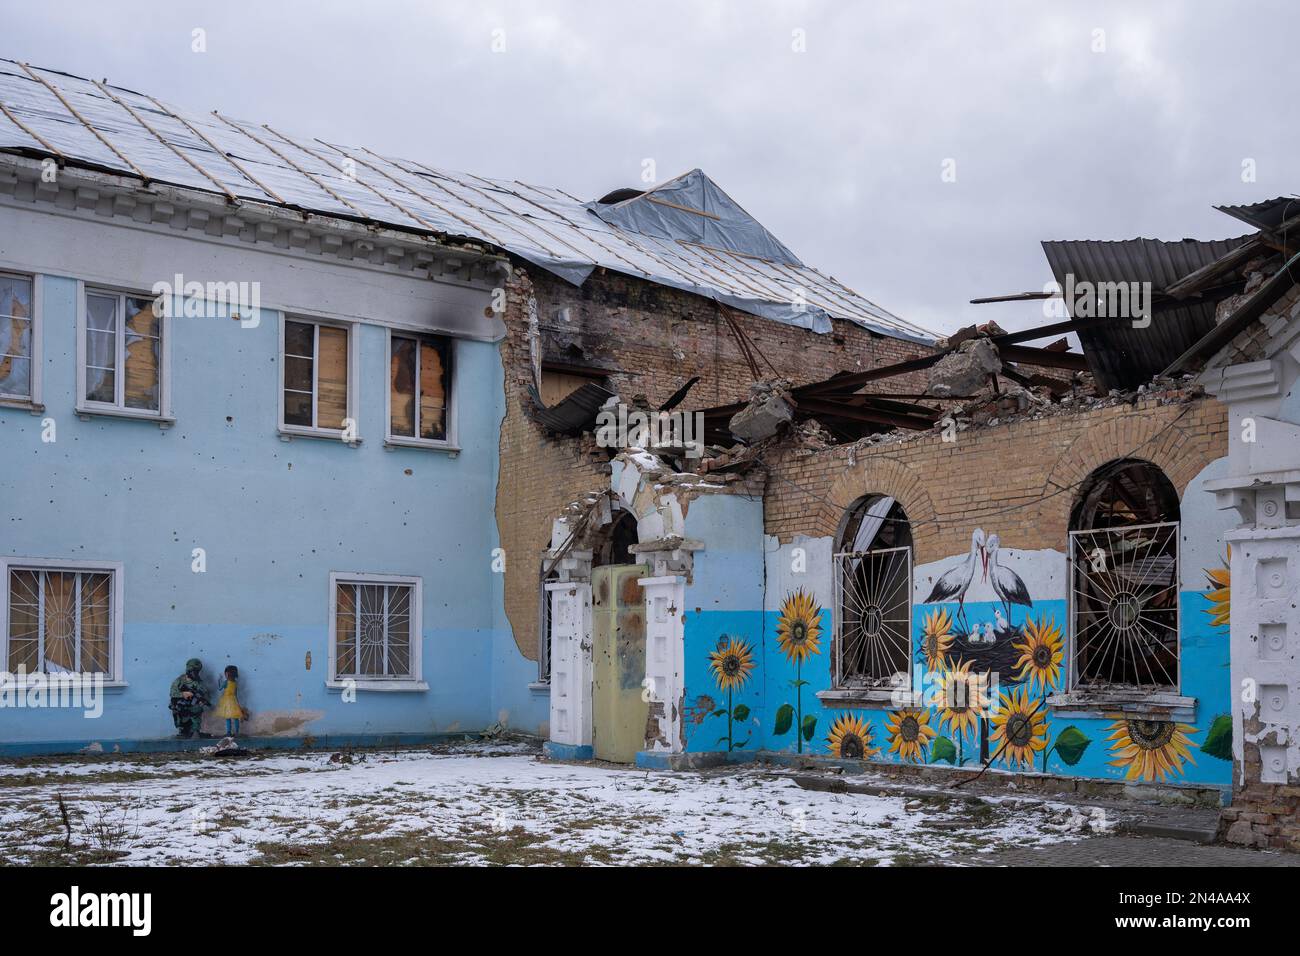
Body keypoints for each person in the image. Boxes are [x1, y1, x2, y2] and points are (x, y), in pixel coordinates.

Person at [169, 658, 210, 739]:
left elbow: (205, 694)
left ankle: (195, 731)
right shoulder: (179, 680)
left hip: (192, 705)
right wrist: (183, 694)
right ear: (189, 670)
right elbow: (172, 693)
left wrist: (204, 701)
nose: (196, 673)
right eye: (194, 671)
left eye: (197, 671)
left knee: (197, 708)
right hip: (180, 705)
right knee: (177, 709)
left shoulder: (198, 682)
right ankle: (182, 730)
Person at [214, 665, 247, 736]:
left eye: (225, 673)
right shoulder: (235, 683)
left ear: (228, 674)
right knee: (236, 717)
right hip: (233, 701)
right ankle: (237, 732)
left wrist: (219, 680)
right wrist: (238, 703)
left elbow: (219, 688)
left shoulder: (226, 682)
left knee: (228, 717)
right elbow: (235, 694)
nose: (225, 674)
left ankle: (228, 732)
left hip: (226, 701)